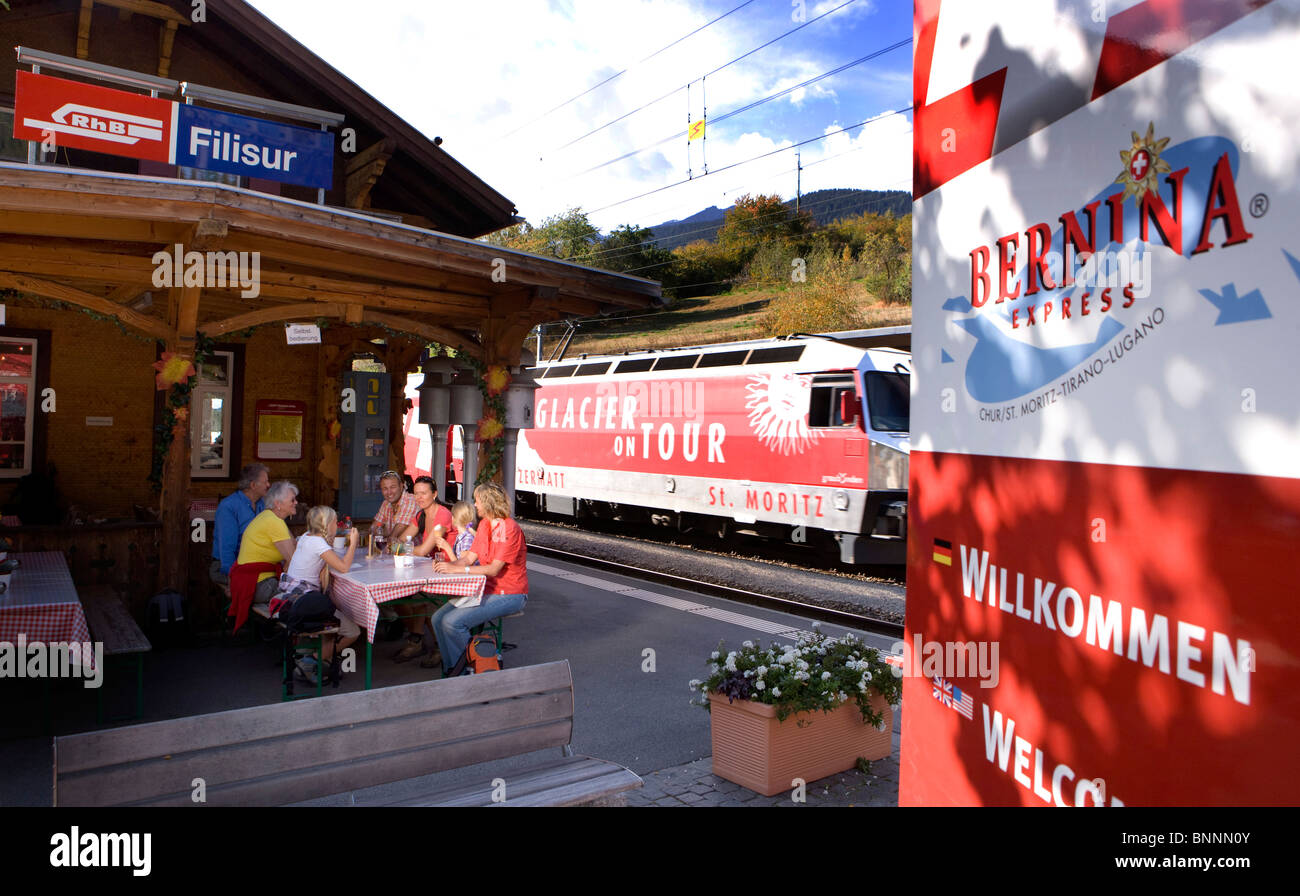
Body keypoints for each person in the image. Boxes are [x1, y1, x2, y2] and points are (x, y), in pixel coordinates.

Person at [430, 483, 527, 676]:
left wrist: (457, 569)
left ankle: (470, 671)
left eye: (478, 500)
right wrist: (447, 567)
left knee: (452, 623)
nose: (475, 505)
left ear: (489, 503)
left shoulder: (508, 528)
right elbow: (469, 558)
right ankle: (453, 670)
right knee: (437, 619)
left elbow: (493, 569)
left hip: (510, 593)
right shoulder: (484, 525)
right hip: (485, 589)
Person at [279, 505, 362, 684]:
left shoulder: (305, 537)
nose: (336, 524)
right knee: (353, 631)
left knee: (332, 623)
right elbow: (344, 567)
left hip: (292, 597)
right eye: (334, 521)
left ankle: (321, 661)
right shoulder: (318, 543)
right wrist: (353, 543)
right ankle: (311, 662)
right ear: (327, 524)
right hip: (305, 602)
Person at [388, 475, 457, 662]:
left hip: (450, 569)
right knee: (401, 598)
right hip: (431, 567)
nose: (419, 497)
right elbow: (403, 539)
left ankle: (438, 647)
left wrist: (399, 548)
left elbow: (424, 548)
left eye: (423, 493)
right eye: (416, 493)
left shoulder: (443, 514)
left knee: (426, 601)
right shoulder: (421, 514)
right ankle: (417, 641)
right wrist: (399, 545)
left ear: (434, 494)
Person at [234, 480, 298, 604]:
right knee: (306, 597)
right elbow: (294, 560)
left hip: (249, 582)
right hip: (257, 585)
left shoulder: (270, 517)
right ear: (278, 503)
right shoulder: (274, 522)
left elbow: (293, 546)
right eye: (292, 500)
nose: (296, 502)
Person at [211, 463, 270, 586]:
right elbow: (227, 548)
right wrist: (233, 577)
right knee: (264, 590)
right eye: (265, 482)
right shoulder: (229, 506)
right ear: (253, 485)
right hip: (229, 566)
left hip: (254, 563)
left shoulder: (262, 504)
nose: (268, 485)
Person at [371, 470, 419, 546]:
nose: (389, 492)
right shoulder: (386, 503)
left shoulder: (410, 500)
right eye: (385, 488)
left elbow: (396, 533)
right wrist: (378, 532)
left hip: (412, 553)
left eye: (392, 487)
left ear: (401, 486)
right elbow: (374, 527)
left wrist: (384, 534)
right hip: (394, 551)